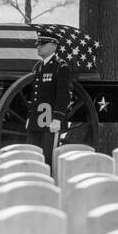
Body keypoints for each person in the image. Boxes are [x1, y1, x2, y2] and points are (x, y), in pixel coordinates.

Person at [26, 31, 73, 162]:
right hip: (37, 119)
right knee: (33, 154)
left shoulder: (60, 67)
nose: (38, 47)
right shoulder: (38, 67)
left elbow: (64, 95)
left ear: (53, 45)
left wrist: (57, 118)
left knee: (48, 157)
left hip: (51, 120)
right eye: (38, 44)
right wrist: (31, 116)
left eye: (42, 44)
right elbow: (35, 95)